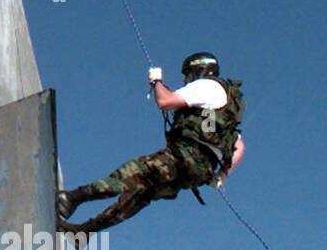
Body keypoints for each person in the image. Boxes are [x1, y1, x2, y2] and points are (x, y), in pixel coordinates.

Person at [57, 52, 245, 235]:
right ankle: (84, 232)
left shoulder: (206, 86)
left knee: (130, 173)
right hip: (199, 172)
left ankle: (72, 199)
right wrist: (220, 177)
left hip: (184, 156)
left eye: (187, 75)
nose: (186, 80)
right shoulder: (226, 106)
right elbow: (239, 147)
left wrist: (156, 81)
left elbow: (165, 101)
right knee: (141, 194)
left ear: (198, 70)